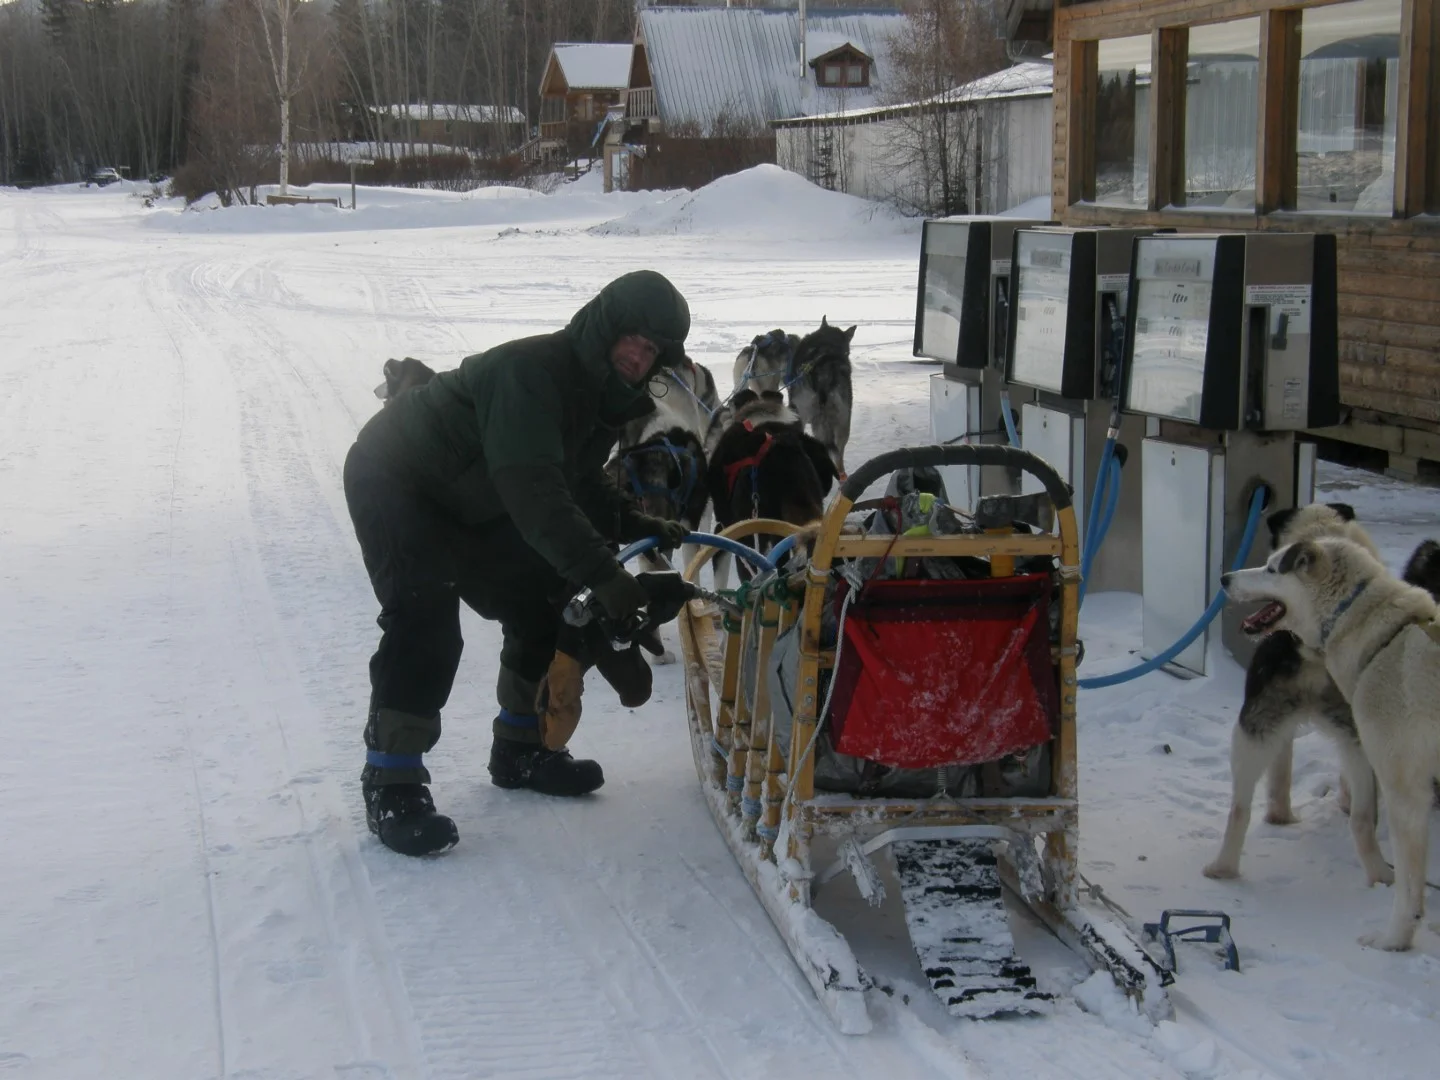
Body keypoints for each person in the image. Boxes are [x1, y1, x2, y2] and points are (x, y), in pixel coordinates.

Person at [343, 270, 691, 856]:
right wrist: (604, 576)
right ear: (605, 326)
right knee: (425, 615)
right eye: (633, 337)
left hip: (476, 494)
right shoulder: (530, 372)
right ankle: (392, 782)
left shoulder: (599, 397)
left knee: (539, 602)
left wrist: (634, 522)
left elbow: (575, 479)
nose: (639, 355)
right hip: (397, 477)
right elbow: (534, 492)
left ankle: (521, 749)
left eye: (652, 349)